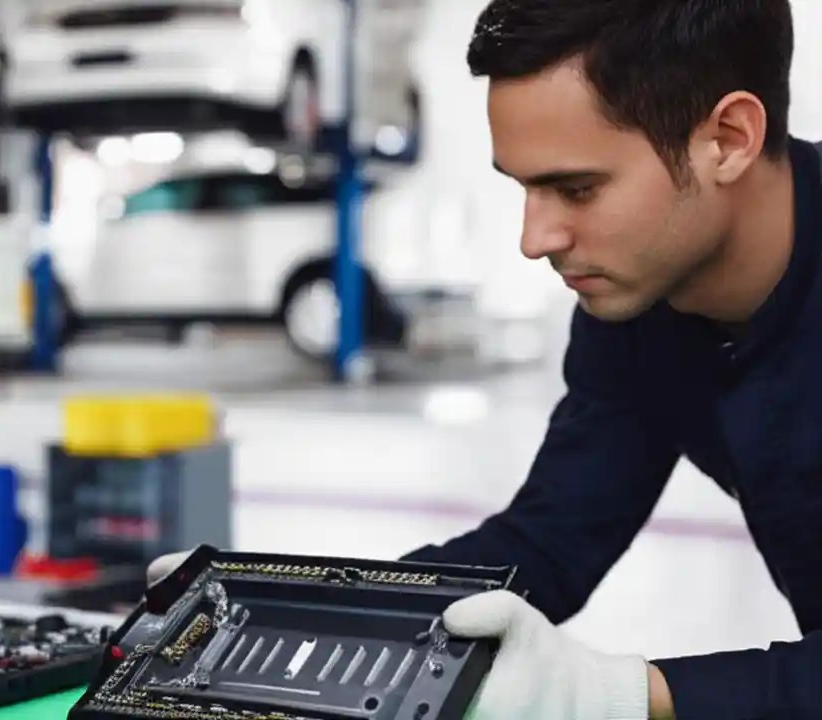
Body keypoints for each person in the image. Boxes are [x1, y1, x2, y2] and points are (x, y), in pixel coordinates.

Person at [148, 1, 822, 717]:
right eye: (525, 187)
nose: (536, 238)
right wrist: (311, 608)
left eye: (577, 188)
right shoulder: (641, 305)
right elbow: (554, 539)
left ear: (728, 139)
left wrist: (626, 696)